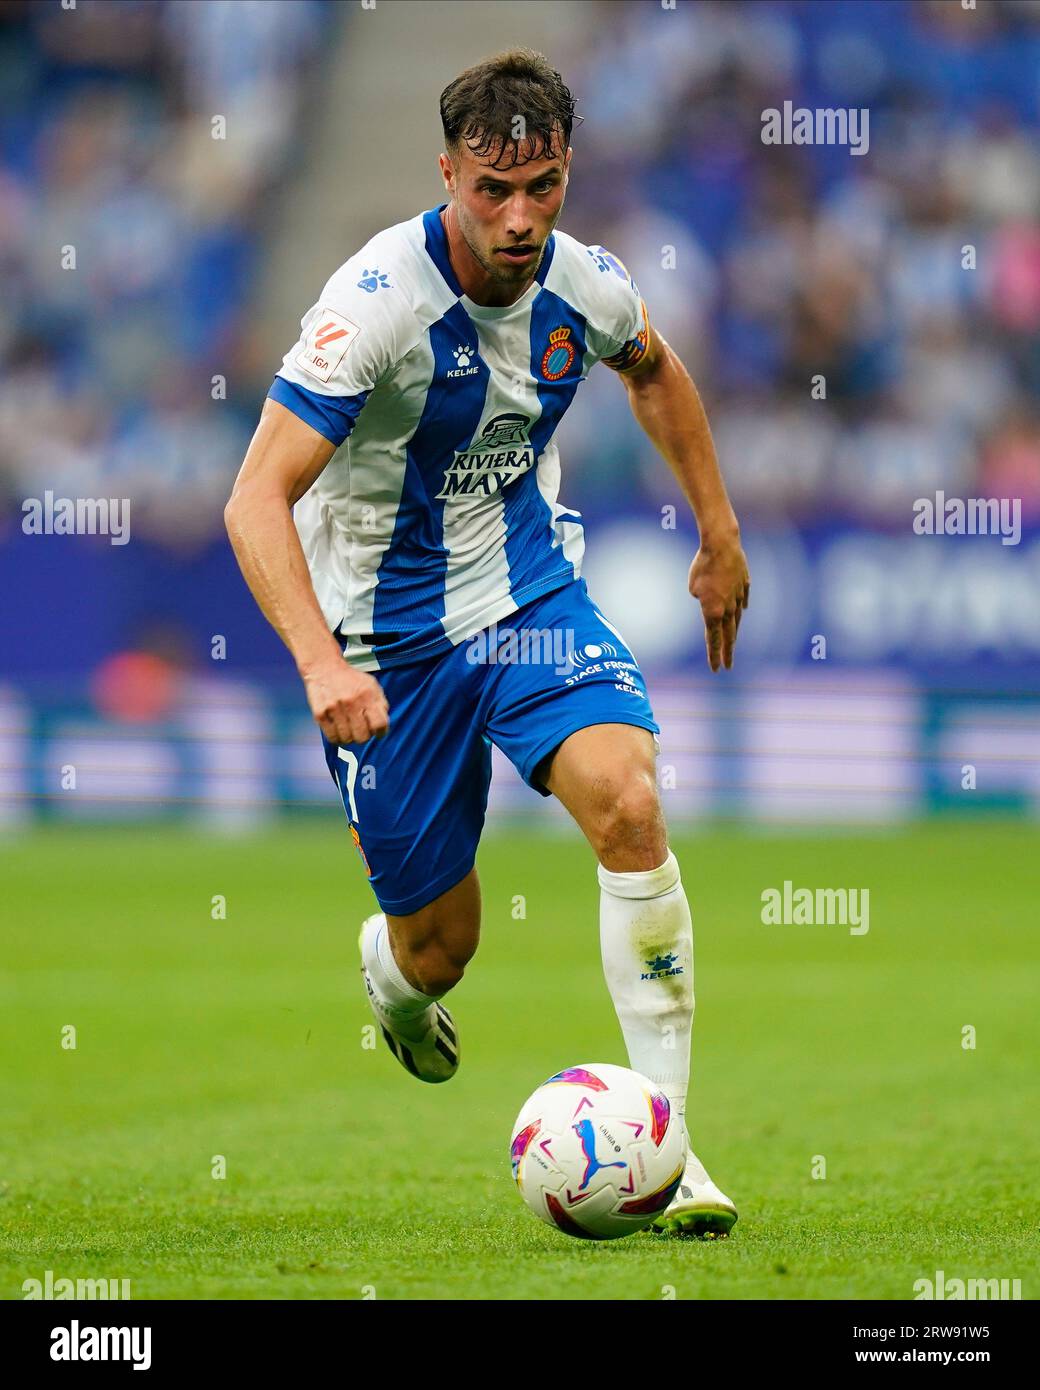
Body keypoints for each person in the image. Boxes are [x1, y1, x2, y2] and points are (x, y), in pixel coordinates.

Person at [225, 48, 749, 1237]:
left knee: (627, 801)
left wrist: (716, 535)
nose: (520, 220)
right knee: (440, 945)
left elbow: (655, 374)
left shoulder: (587, 284)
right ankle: (398, 984)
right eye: (491, 192)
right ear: (447, 174)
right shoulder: (371, 307)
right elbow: (254, 499)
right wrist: (320, 661)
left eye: (545, 187)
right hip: (384, 634)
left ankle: (668, 1149)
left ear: (567, 172)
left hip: (525, 598)